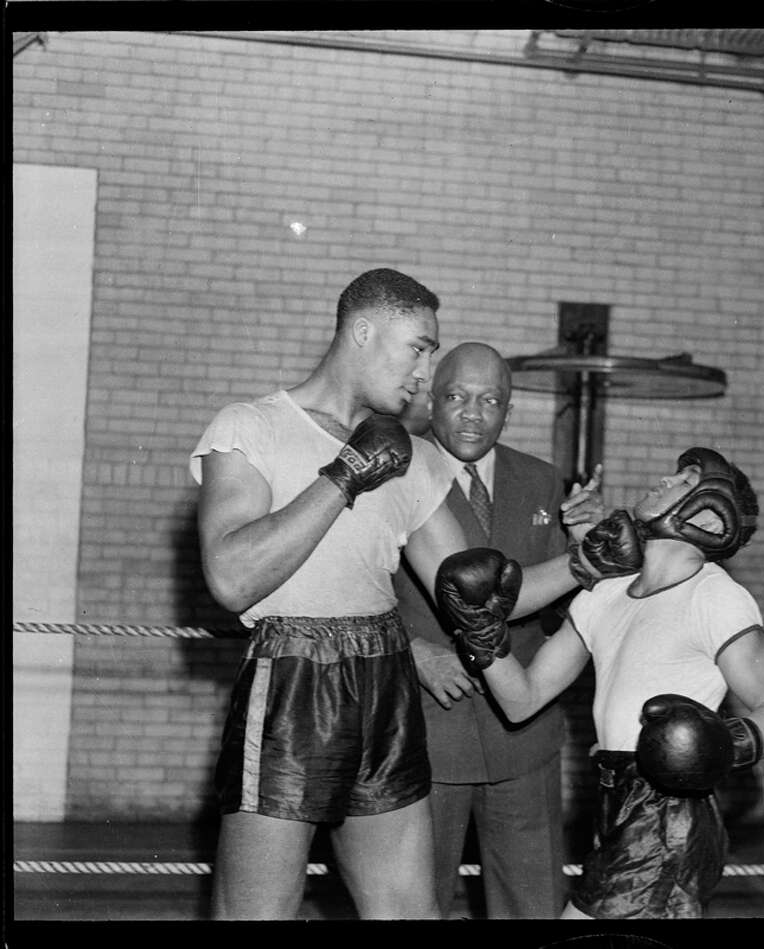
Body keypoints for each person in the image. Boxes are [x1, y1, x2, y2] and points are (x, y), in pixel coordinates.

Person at [189, 268, 620, 920]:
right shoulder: (252, 427)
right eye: (418, 347)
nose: (426, 371)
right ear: (363, 331)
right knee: (256, 913)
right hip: (293, 676)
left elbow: (484, 592)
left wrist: (592, 560)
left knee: (410, 911)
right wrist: (344, 475)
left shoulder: (411, 458)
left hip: (385, 676)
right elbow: (230, 575)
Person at [434, 447, 764, 919]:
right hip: (613, 803)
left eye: (684, 480)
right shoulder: (604, 594)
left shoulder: (716, 596)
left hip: (668, 813)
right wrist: (480, 631)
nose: (664, 480)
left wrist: (715, 743)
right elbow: (523, 699)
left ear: (710, 514)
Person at [391, 341, 603, 918]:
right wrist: (413, 653)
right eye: (457, 396)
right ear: (430, 402)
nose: (472, 413)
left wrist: (587, 541)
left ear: (508, 411)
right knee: (414, 904)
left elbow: (566, 609)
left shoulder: (542, 481)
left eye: (490, 400)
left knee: (532, 903)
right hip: (425, 732)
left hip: (524, 736)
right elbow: (353, 592)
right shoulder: (395, 473)